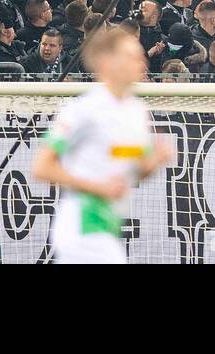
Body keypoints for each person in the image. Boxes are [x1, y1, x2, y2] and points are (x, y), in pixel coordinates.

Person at [32, 27, 173, 264]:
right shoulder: (83, 110)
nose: (140, 62)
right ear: (107, 63)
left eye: (139, 56)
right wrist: (97, 187)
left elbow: (133, 169)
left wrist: (153, 161)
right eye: (130, 57)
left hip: (107, 226)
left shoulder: (136, 111)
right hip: (81, 227)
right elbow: (42, 168)